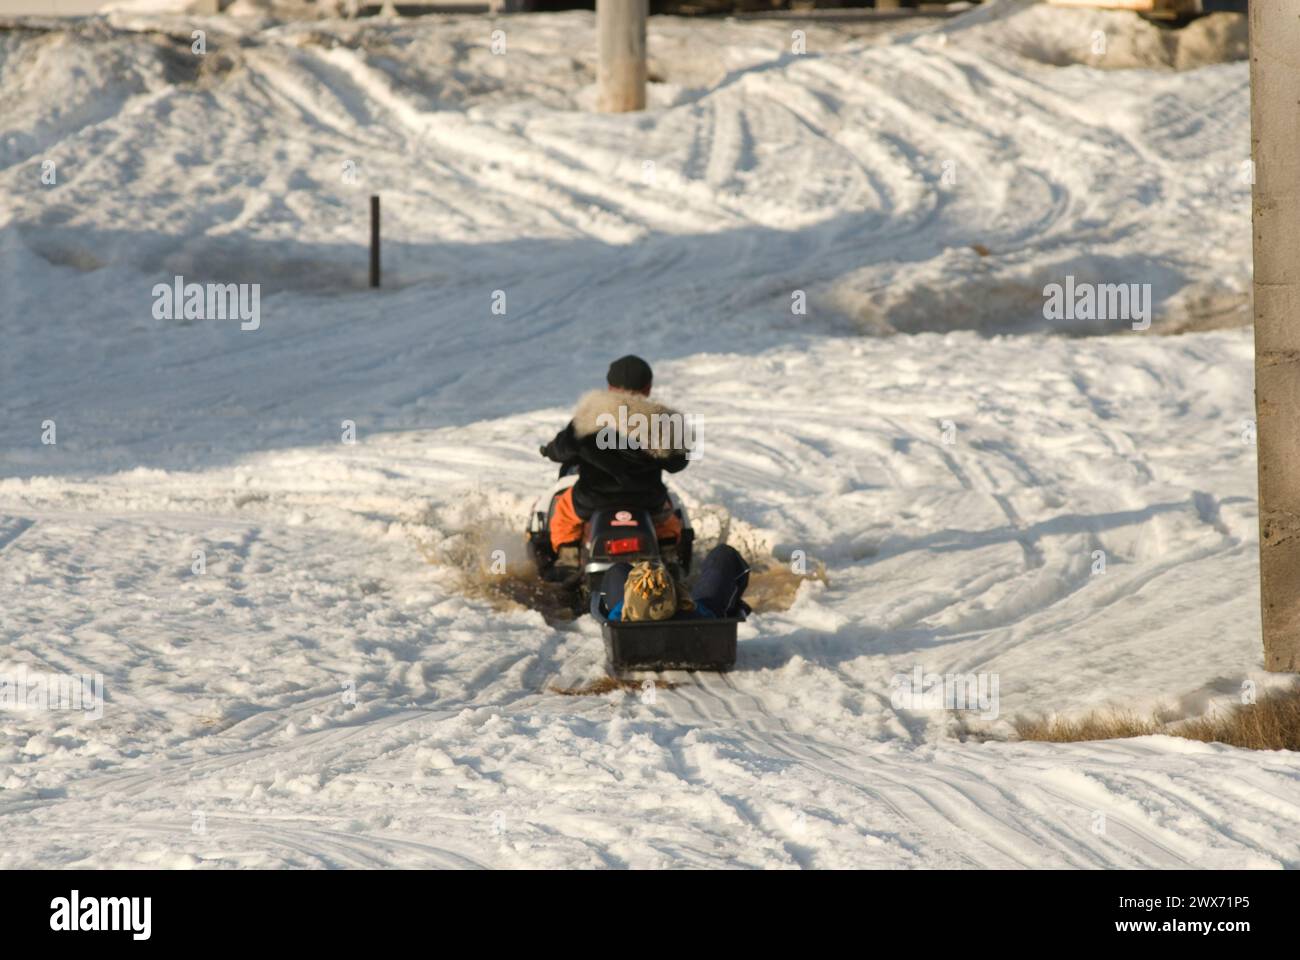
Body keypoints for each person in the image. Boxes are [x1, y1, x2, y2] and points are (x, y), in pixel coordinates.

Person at [541, 355, 691, 565]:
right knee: (668, 521)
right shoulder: (662, 424)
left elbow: (563, 449)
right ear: (647, 388)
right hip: (647, 500)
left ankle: (568, 562)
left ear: (610, 387)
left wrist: (548, 450)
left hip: (593, 499)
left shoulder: (589, 417)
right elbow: (678, 463)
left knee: (564, 513)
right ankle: (668, 556)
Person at [591, 545, 751, 622]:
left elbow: (612, 617)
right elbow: (705, 614)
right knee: (724, 554)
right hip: (693, 625)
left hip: (632, 622)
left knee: (619, 568)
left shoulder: (624, 614)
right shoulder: (694, 613)